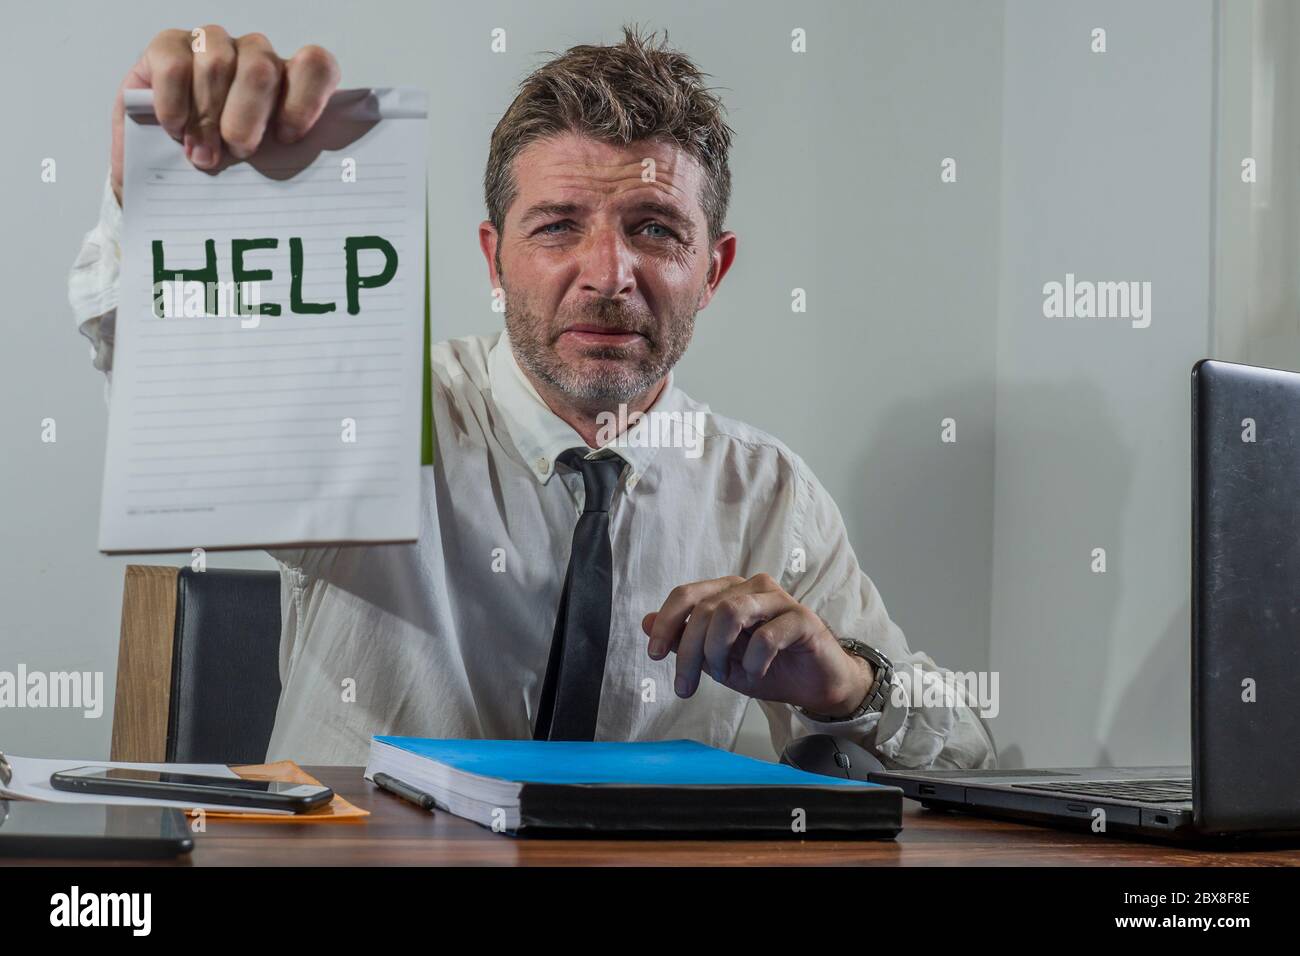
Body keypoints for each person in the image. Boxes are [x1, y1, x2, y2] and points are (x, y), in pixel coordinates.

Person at [69, 23, 996, 768]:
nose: (608, 274)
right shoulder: (379, 410)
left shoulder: (770, 496)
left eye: (655, 230)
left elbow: (966, 747)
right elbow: (176, 400)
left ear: (711, 271)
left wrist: (845, 685)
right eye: (557, 227)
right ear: (494, 261)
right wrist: (150, 193)